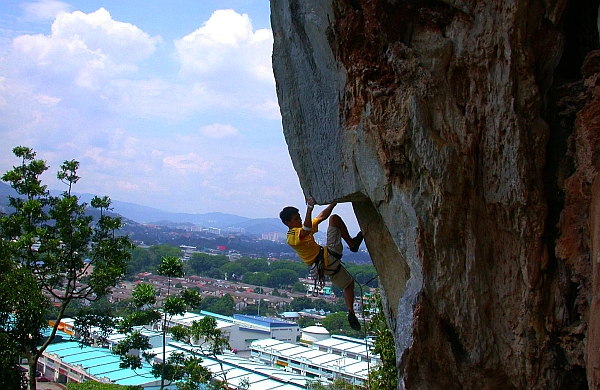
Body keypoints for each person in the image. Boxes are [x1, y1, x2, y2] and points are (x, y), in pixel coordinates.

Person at [279, 197, 364, 330]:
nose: (300, 219)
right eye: (296, 218)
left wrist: (333, 203)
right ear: (287, 223)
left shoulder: (300, 229)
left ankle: (351, 312)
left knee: (348, 285)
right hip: (329, 256)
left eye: (299, 216)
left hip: (326, 268)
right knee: (334, 219)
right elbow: (306, 229)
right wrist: (309, 208)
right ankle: (352, 244)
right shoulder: (292, 236)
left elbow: (321, 217)